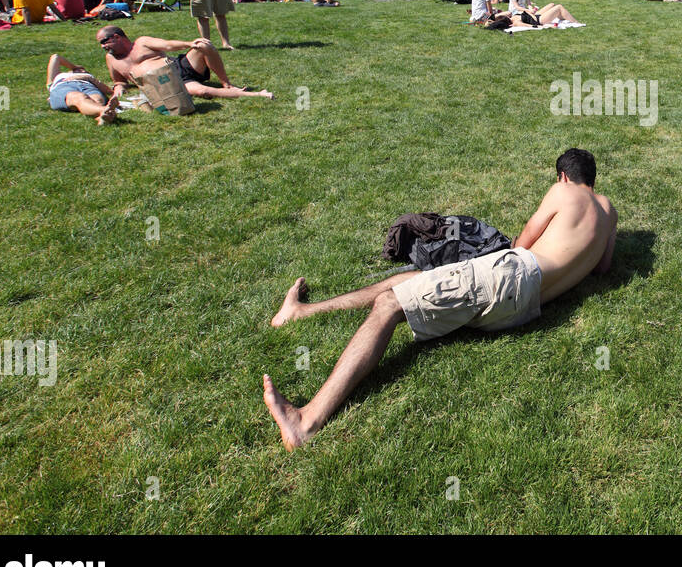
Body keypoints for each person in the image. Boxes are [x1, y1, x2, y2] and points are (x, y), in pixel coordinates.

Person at [263, 148, 618, 450]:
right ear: (593, 179)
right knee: (419, 280)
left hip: (510, 278)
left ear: (564, 176)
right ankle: (302, 312)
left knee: (389, 305)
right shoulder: (609, 212)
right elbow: (603, 268)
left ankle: (305, 421)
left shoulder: (565, 193)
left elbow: (523, 241)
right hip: (525, 309)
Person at [97, 26, 274, 100]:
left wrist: (189, 44)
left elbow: (167, 45)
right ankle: (257, 95)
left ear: (117, 37)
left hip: (180, 66)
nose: (103, 46)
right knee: (201, 90)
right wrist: (119, 88)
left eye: (104, 41)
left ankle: (226, 83)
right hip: (169, 82)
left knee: (204, 44)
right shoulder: (111, 59)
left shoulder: (141, 43)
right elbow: (118, 80)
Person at [46, 54, 119, 125]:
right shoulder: (59, 77)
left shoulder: (89, 78)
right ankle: (105, 110)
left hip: (88, 86)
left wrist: (89, 78)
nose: (83, 70)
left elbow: (109, 91)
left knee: (98, 99)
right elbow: (56, 57)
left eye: (84, 70)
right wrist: (74, 67)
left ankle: (102, 116)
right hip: (64, 86)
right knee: (79, 97)